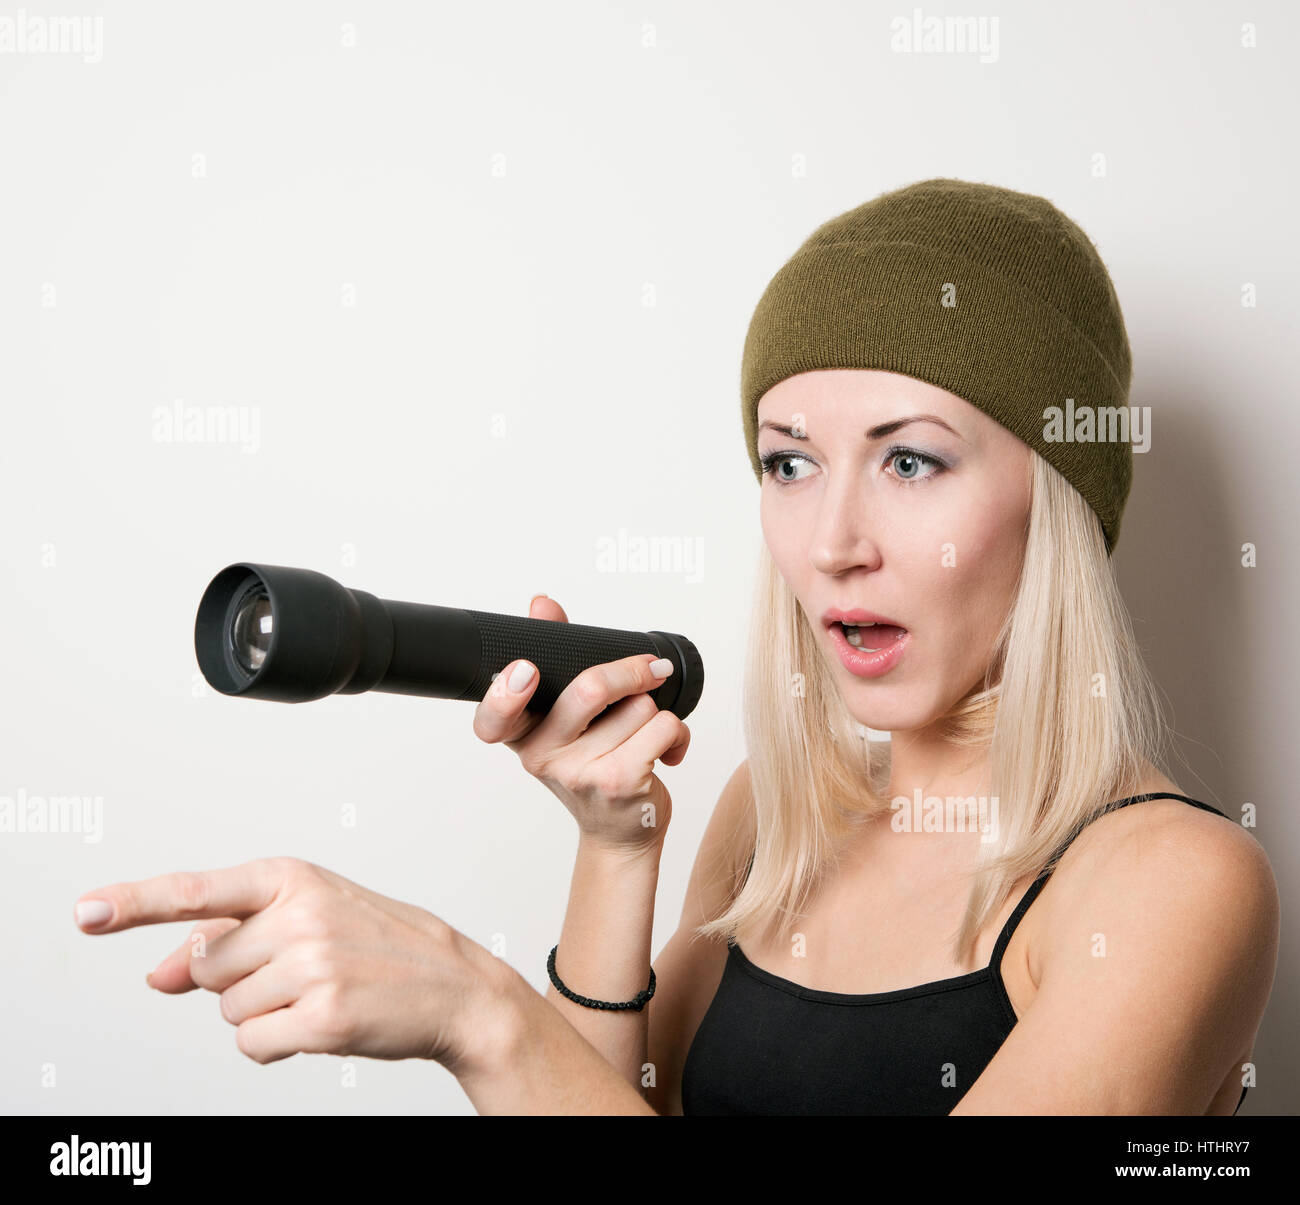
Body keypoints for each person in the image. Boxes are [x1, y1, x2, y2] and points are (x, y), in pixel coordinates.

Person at [75, 178, 1278, 1115]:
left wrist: (475, 1006)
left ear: (1061, 495)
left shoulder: (1173, 883)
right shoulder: (779, 810)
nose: (831, 542)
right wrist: (615, 847)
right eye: (789, 461)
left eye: (910, 458)